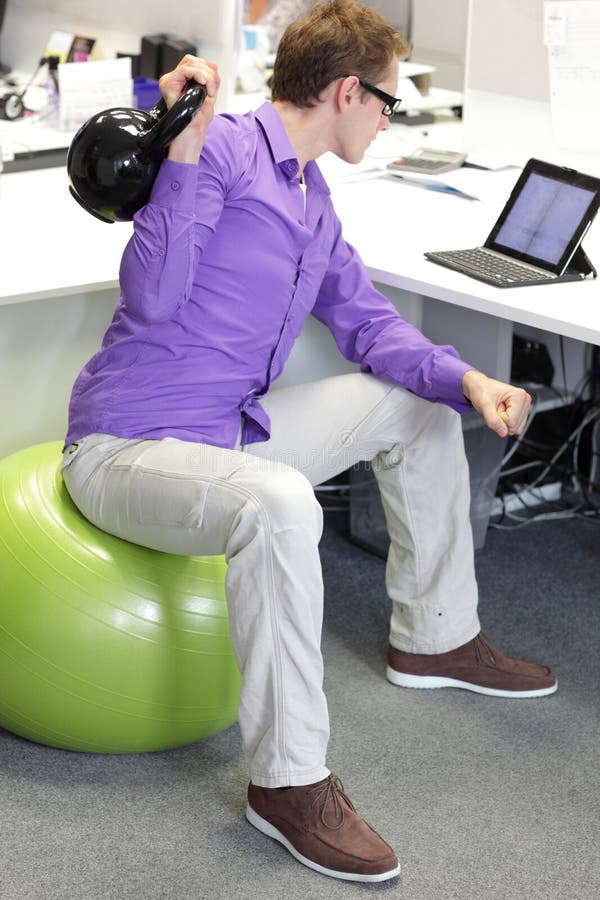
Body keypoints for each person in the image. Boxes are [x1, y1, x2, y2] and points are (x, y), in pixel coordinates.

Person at [62, 0, 557, 884]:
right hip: (127, 450)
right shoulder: (216, 151)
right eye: (387, 103)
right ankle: (289, 784)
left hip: (227, 444)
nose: (388, 119)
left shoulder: (307, 195)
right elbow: (153, 297)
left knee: (415, 404)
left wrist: (467, 379)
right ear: (344, 91)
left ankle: (436, 637)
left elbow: (365, 321)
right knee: (283, 502)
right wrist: (178, 154)